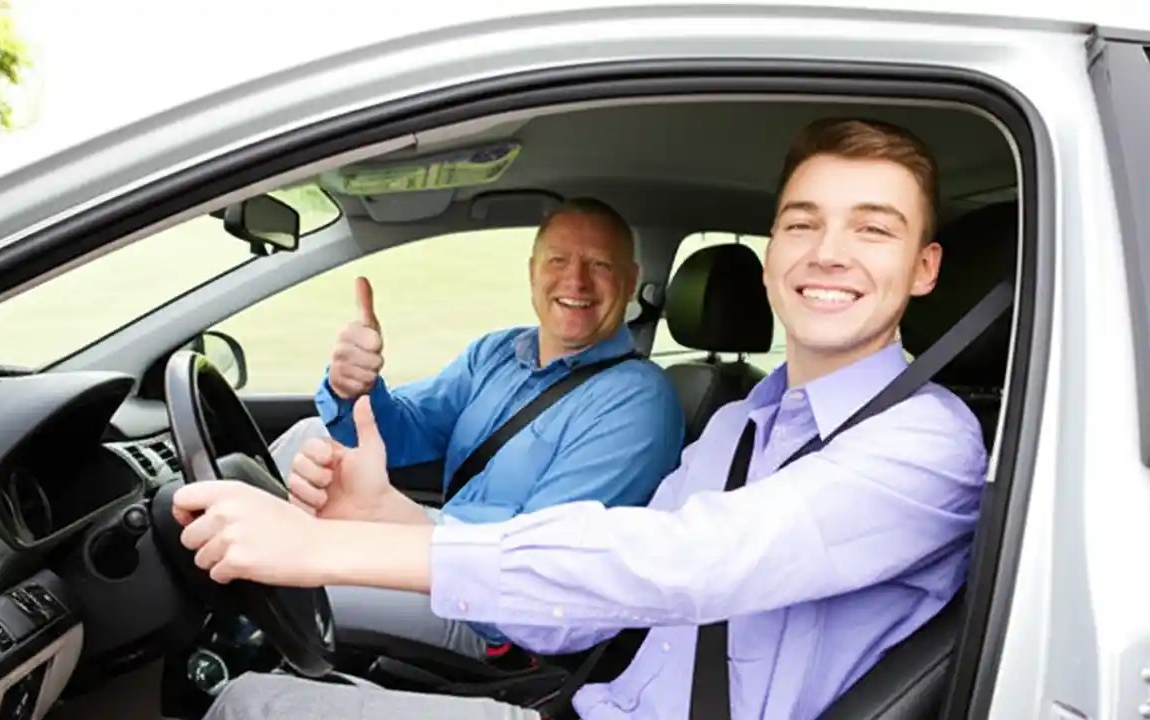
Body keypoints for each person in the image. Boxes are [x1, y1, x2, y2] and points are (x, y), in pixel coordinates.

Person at [174, 117, 989, 720]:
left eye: (873, 229)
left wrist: (329, 545)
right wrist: (385, 512)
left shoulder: (926, 439)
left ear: (924, 270)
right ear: (773, 253)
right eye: (803, 223)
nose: (829, 252)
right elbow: (588, 619)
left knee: (253, 708)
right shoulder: (743, 424)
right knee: (254, 697)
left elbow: (682, 561)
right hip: (586, 702)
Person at [269, 197, 686, 659]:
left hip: (487, 615)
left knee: (278, 575)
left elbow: (536, 571)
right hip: (431, 554)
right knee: (311, 435)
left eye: (599, 265)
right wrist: (354, 387)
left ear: (629, 282)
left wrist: (396, 523)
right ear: (532, 273)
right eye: (558, 260)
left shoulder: (638, 403)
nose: (576, 280)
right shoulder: (499, 353)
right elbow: (403, 432)